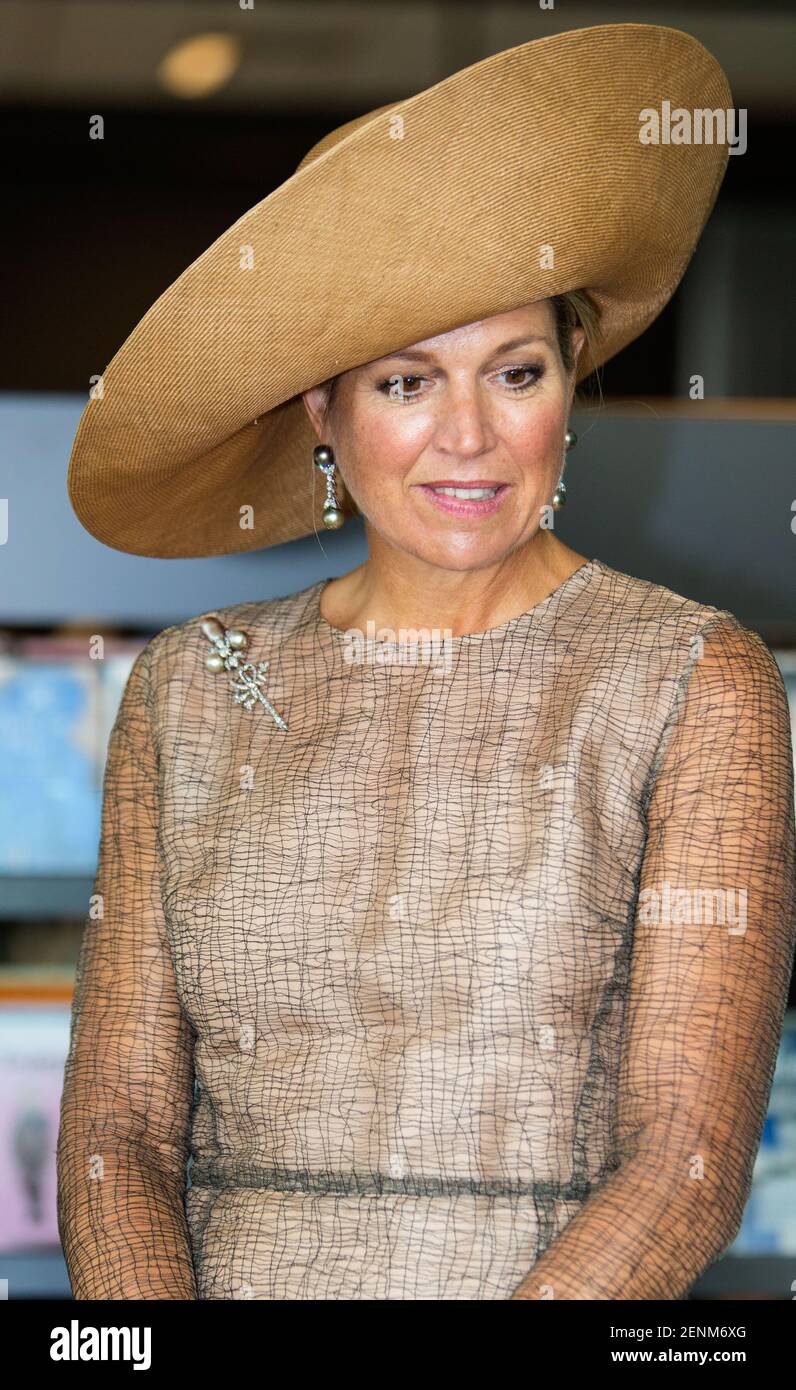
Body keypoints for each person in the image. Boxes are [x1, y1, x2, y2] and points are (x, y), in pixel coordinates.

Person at [57, 23, 796, 1299]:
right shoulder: (192, 685)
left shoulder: (691, 679)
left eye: (515, 371)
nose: (469, 436)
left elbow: (685, 1156)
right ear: (322, 411)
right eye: (406, 383)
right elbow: (115, 1124)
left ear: (569, 381)